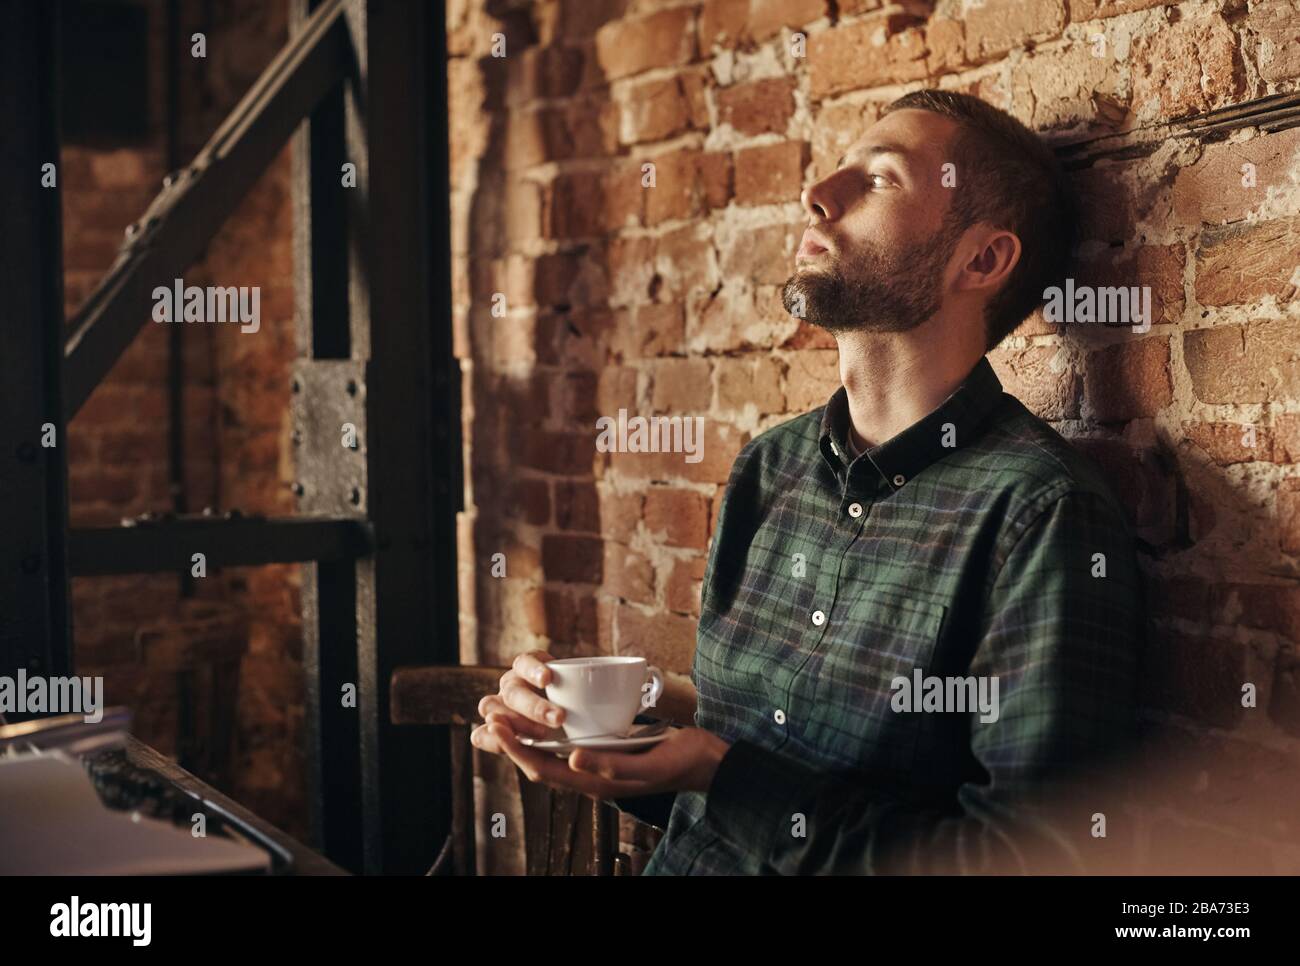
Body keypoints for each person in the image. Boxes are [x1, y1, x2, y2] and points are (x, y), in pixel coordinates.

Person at [471, 89, 1145, 875]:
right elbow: (724, 786)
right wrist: (597, 742)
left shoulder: (1039, 516)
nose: (818, 195)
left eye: (883, 179)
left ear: (983, 259)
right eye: (839, 172)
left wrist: (719, 776)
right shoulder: (770, 467)